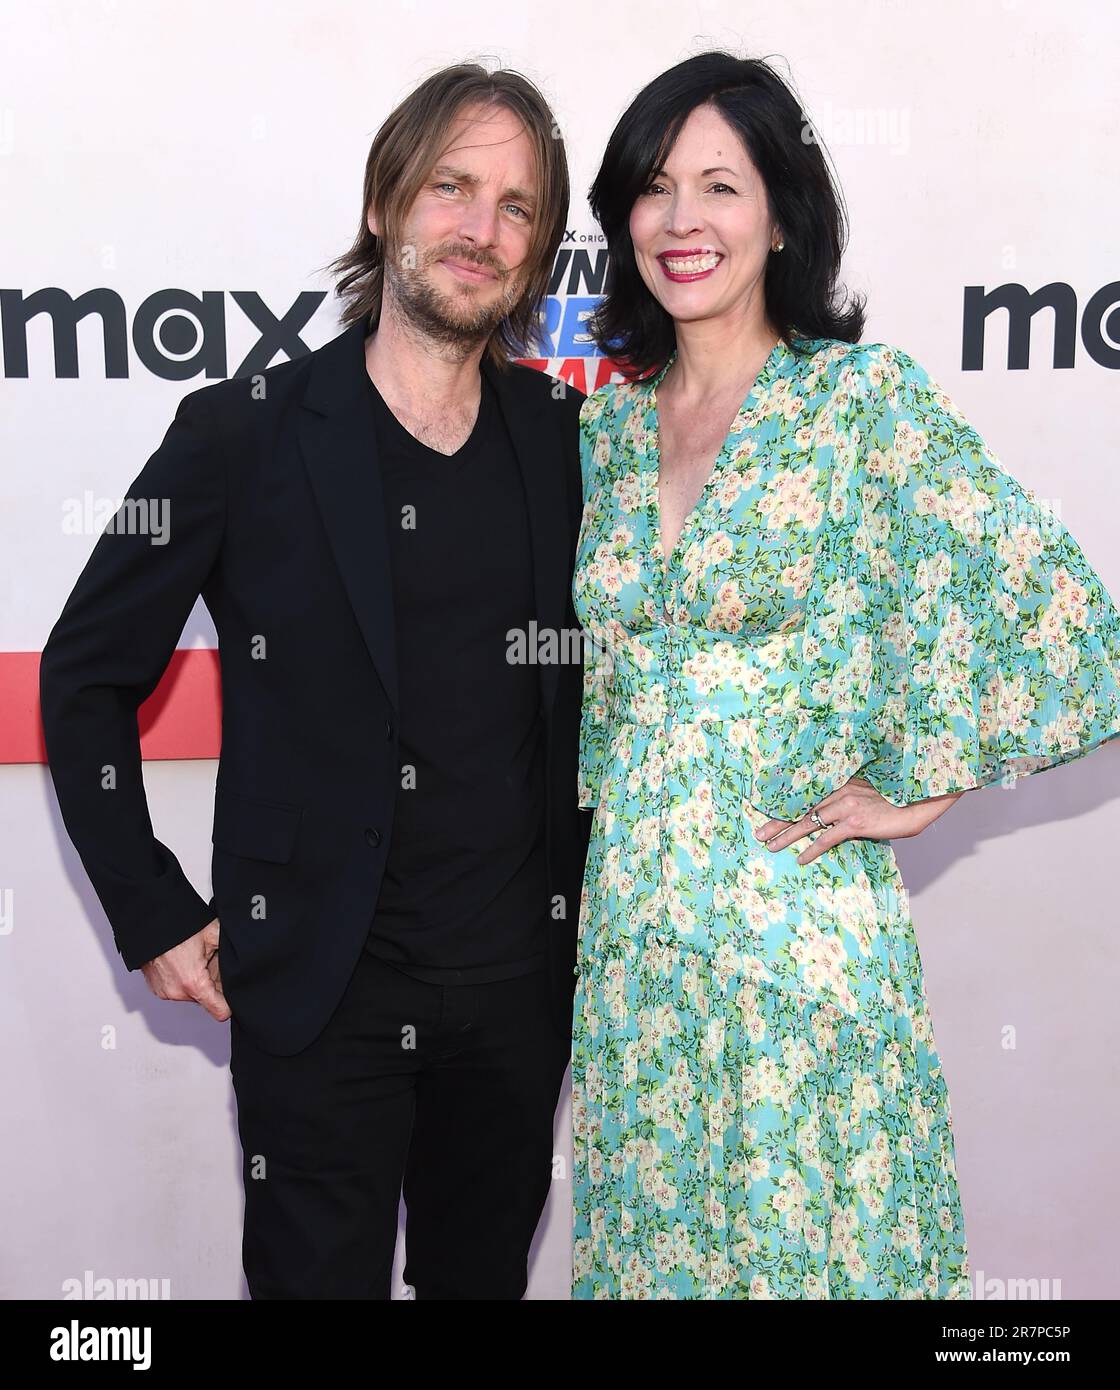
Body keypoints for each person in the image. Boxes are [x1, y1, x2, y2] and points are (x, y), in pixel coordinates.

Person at [569, 50, 1120, 1299]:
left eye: (721, 184)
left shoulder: (858, 405)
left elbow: (1053, 612)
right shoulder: (602, 429)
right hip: (635, 953)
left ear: (779, 214)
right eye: (654, 188)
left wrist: (934, 785)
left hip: (797, 943)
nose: (683, 220)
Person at [39, 63, 591, 1300]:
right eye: (453, 186)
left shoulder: (568, 445)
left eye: (516, 207)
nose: (479, 228)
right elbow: (83, 675)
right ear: (390, 201)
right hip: (318, 994)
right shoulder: (240, 430)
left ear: (539, 250)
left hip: (515, 995)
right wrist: (150, 906)